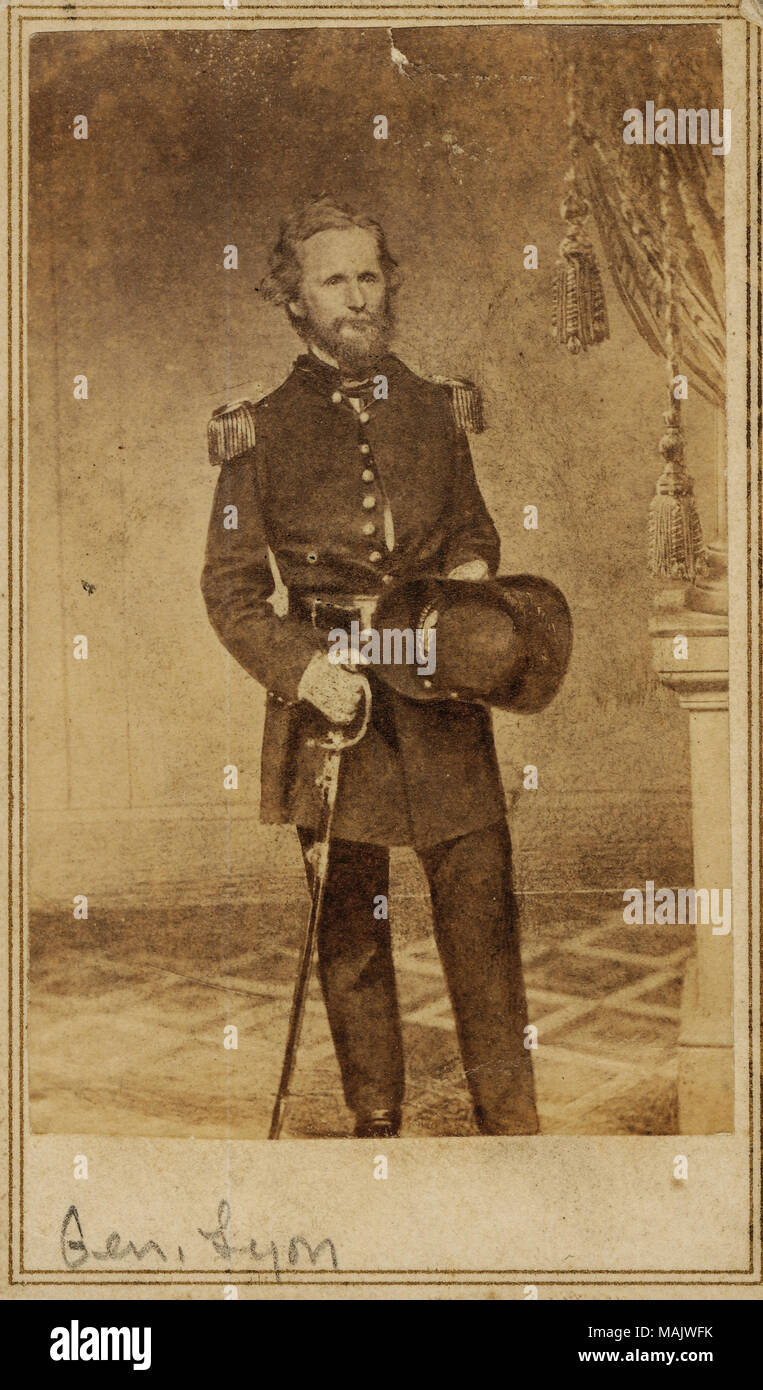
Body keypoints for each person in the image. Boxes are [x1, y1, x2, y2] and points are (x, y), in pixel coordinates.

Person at [201, 198, 538, 1138]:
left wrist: (470, 574)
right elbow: (230, 593)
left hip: (438, 695)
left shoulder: (435, 407)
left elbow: (472, 526)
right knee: (351, 932)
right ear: (295, 301)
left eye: (368, 276)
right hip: (334, 711)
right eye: (332, 280)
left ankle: (514, 1134)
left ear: (387, 286)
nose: (356, 297)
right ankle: (375, 1124)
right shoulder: (257, 433)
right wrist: (305, 670)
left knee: (482, 923)